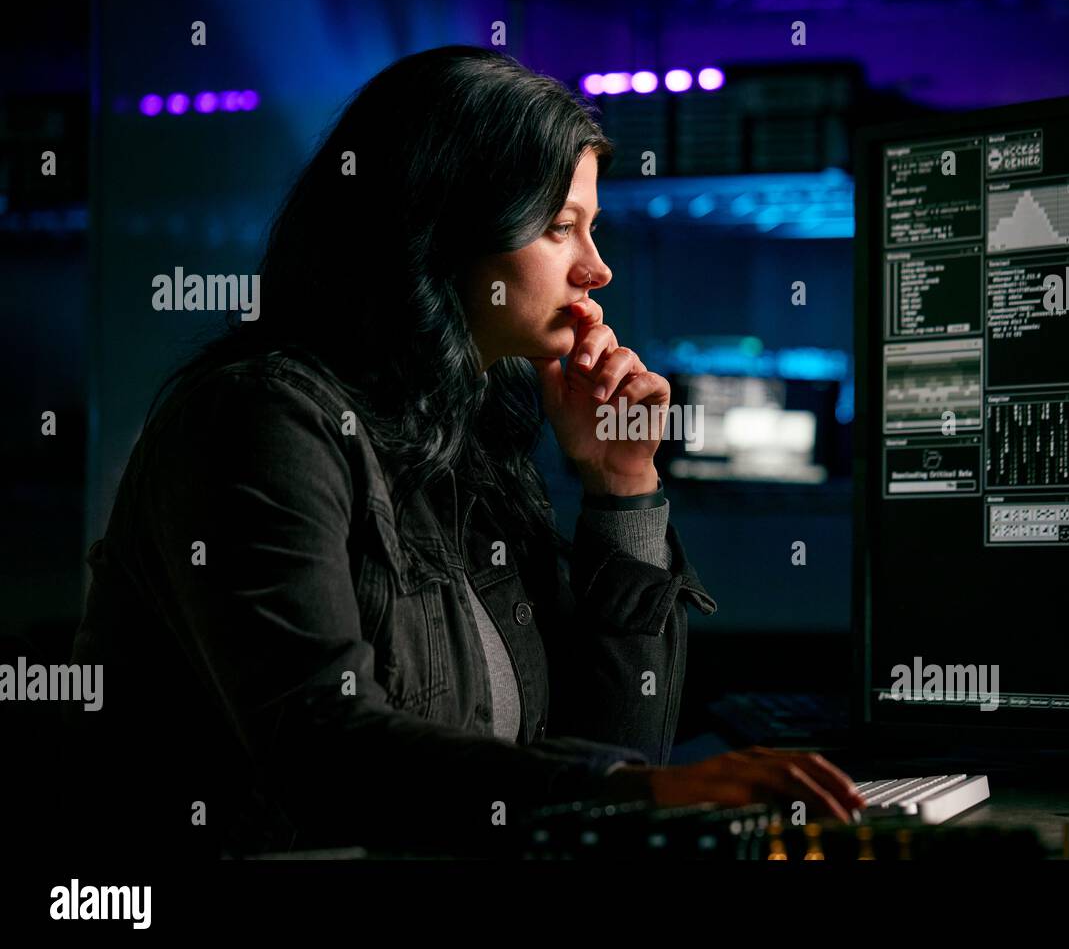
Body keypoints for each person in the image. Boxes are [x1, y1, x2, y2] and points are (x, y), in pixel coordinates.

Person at [66, 45, 866, 858]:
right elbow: (321, 751)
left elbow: (616, 761)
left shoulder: (466, 440)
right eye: (561, 228)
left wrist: (621, 487)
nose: (598, 268)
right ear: (443, 233)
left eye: (590, 228)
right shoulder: (260, 419)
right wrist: (628, 789)